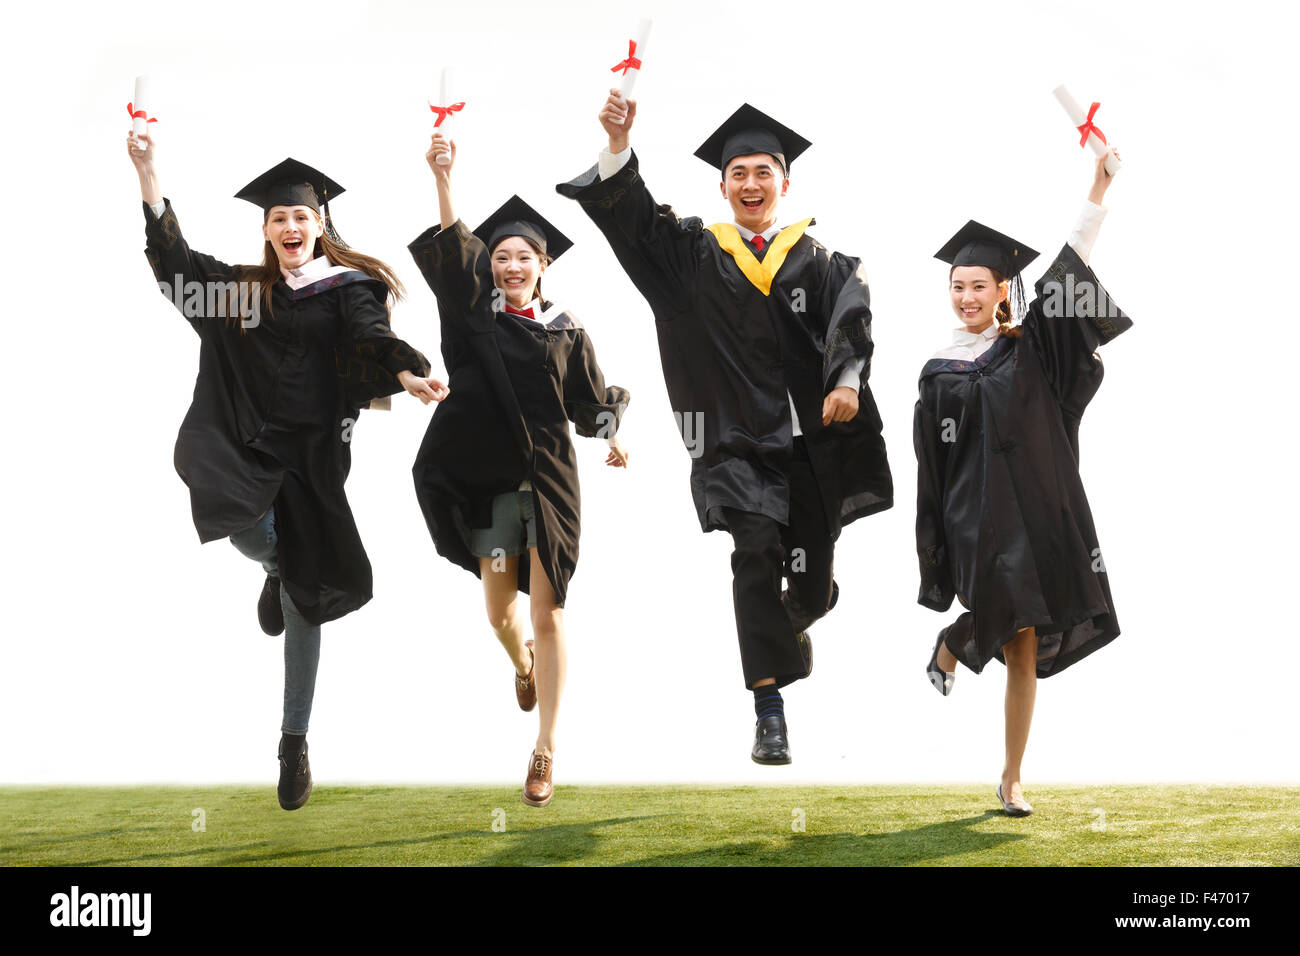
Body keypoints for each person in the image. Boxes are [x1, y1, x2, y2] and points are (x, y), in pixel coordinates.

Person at [557, 95, 892, 765]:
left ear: (784, 182)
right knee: (753, 556)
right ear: (722, 185)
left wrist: (846, 382)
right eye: (738, 173)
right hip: (735, 446)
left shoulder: (822, 262)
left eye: (762, 172)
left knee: (813, 584)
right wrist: (619, 147)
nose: (750, 184)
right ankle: (769, 712)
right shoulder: (697, 257)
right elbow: (640, 227)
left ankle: (803, 611)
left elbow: (851, 320)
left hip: (808, 450)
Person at [129, 134, 444, 810]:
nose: (291, 227)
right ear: (267, 229)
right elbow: (178, 269)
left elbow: (370, 334)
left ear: (320, 223)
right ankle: (272, 568)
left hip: (313, 460)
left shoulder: (346, 289)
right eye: (279, 218)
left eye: (301, 217)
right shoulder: (244, 294)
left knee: (308, 599)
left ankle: (293, 743)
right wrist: (149, 174)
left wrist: (406, 370)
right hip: (243, 446)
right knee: (244, 526)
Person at [409, 131, 630, 807]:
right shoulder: (472, 319)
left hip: (552, 482)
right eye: (500, 255)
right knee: (501, 615)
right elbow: (453, 254)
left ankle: (546, 747)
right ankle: (521, 665)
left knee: (549, 610)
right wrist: (445, 177)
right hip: (490, 482)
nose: (510, 265)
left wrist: (609, 437)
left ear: (542, 264)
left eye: (522, 256)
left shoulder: (566, 327)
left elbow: (590, 398)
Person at [915, 151, 1129, 816]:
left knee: (1025, 641)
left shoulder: (1029, 346)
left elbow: (1071, 261)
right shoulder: (939, 371)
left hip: (1038, 507)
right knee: (1007, 612)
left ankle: (1011, 776)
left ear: (1004, 289)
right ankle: (953, 640)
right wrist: (937, 552)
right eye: (958, 286)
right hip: (975, 517)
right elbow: (933, 465)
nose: (967, 296)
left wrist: (1098, 185)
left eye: (979, 285)